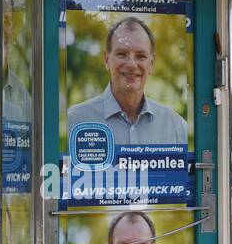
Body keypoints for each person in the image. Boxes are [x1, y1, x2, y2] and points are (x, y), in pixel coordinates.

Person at [64, 16, 189, 146]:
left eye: (141, 56)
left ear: (151, 63)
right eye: (122, 54)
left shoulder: (176, 126)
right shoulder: (75, 120)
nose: (131, 64)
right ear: (107, 59)